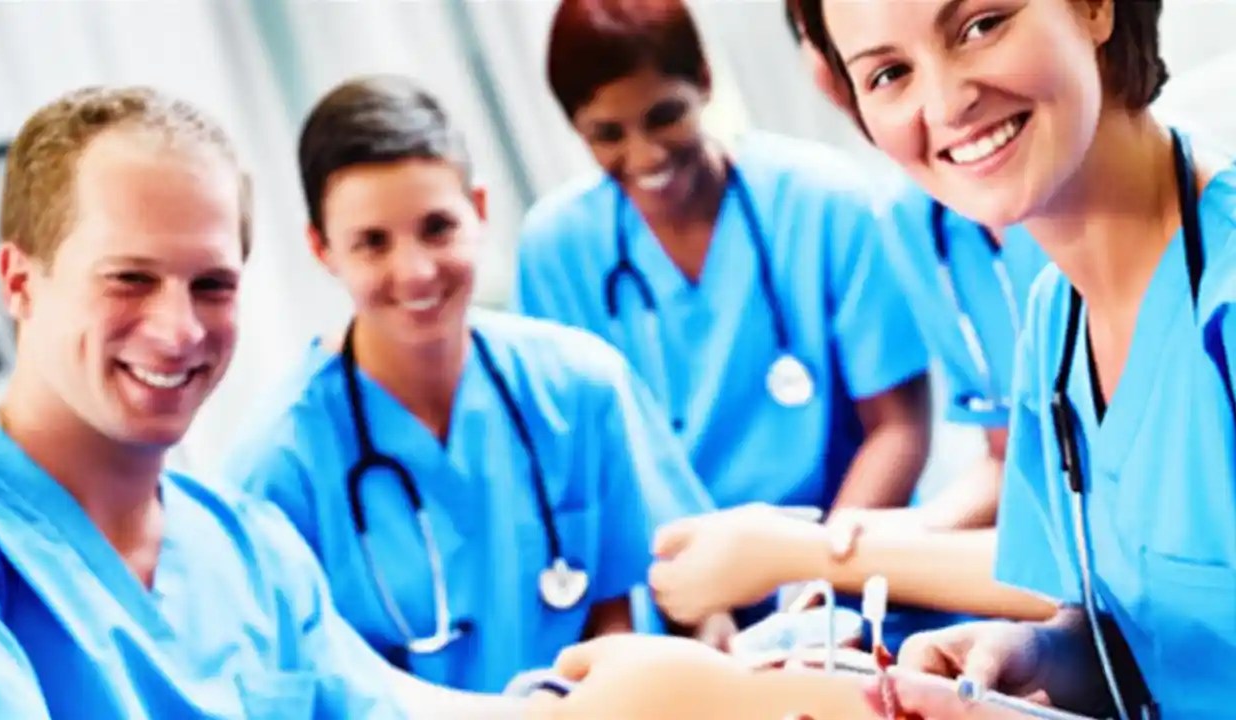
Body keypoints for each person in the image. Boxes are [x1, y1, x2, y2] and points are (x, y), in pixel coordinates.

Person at [525, 0, 1236, 717]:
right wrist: (1030, 656)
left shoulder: (1223, 309)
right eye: (890, 73)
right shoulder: (1055, 327)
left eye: (982, 25)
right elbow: (1142, 630)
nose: (946, 103)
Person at [0, 85, 535, 719]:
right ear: (19, 282)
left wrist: (582, 705)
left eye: (211, 285)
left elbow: (388, 707)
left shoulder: (250, 549)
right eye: (129, 279)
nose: (178, 331)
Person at [225, 74, 714, 695]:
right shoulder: (278, 470)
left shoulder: (580, 387)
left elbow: (621, 609)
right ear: (322, 248)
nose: (416, 272)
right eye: (372, 243)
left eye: (437, 228)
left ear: (478, 211)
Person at [515, 0, 933, 627]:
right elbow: (594, 473)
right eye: (608, 133)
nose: (646, 154)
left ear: (705, 80)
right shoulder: (558, 251)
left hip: (849, 566)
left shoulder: (822, 202)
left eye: (665, 116)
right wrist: (700, 604)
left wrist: (812, 577)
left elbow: (898, 428)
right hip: (681, 593)